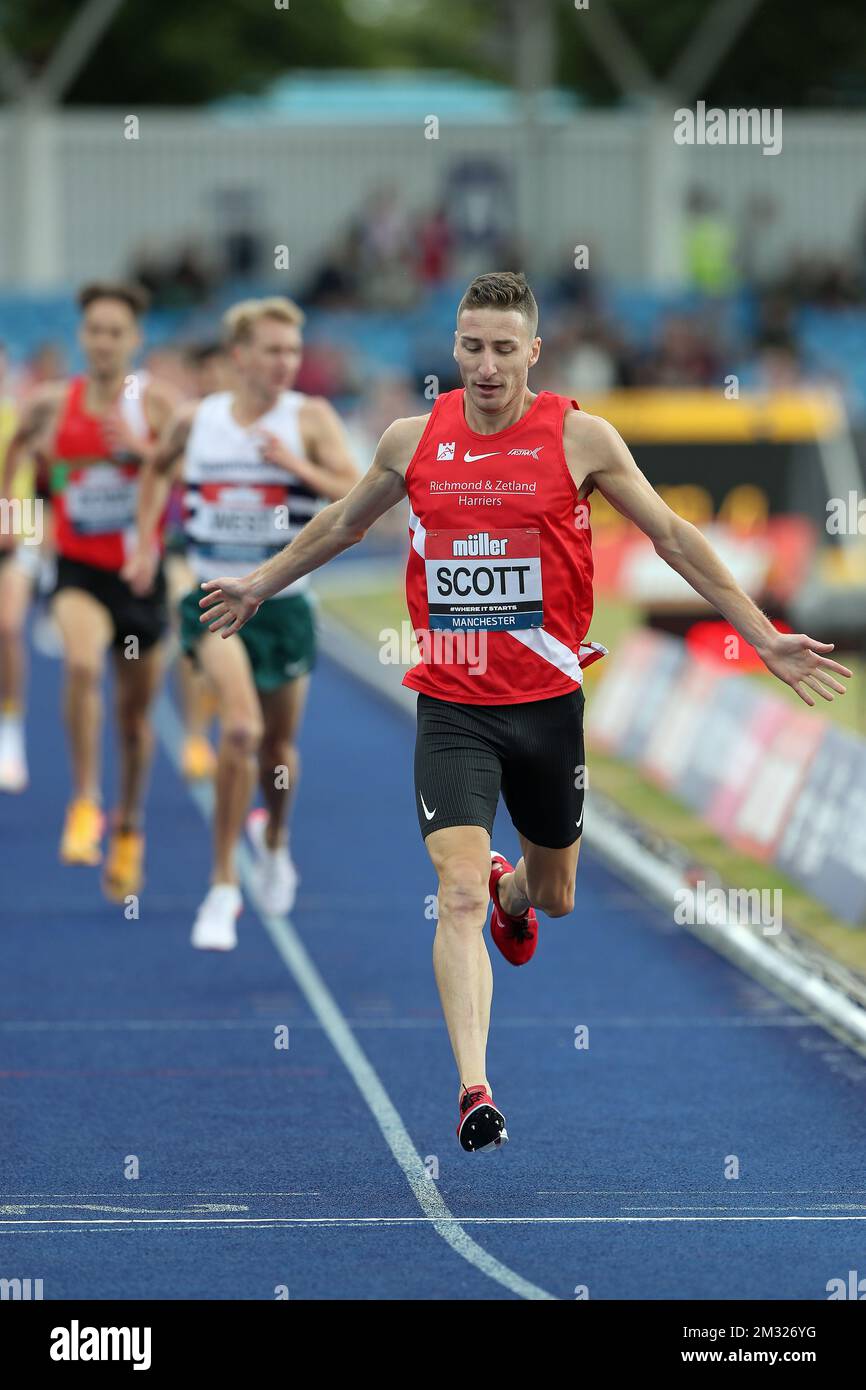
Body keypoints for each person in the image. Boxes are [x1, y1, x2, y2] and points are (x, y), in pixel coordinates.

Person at [197, 271, 852, 1151]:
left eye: (505, 348)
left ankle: (517, 892)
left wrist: (762, 633)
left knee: (557, 893)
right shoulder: (411, 438)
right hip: (453, 703)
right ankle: (475, 1088)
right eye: (472, 346)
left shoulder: (581, 436)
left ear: (533, 352)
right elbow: (342, 528)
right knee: (455, 891)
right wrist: (258, 583)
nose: (487, 365)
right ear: (455, 349)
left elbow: (672, 536)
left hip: (547, 708)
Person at [129, 297, 359, 947]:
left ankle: (276, 839)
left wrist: (297, 468)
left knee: (279, 753)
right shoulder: (195, 421)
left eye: (294, 350)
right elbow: (153, 470)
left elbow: (358, 493)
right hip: (215, 597)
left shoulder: (309, 417)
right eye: (273, 350)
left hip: (284, 602)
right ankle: (224, 885)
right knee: (240, 730)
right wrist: (145, 543)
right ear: (240, 356)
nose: (287, 362)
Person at [0, 282, 178, 896]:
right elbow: (17, 449)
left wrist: (144, 453)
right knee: (79, 665)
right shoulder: (52, 403)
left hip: (139, 576)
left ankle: (129, 824)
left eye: (116, 332)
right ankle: (85, 801)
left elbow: (193, 469)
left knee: (134, 723)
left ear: (135, 339)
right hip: (79, 571)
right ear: (83, 336)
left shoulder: (157, 407)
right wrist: (15, 516)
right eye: (94, 330)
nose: (103, 342)